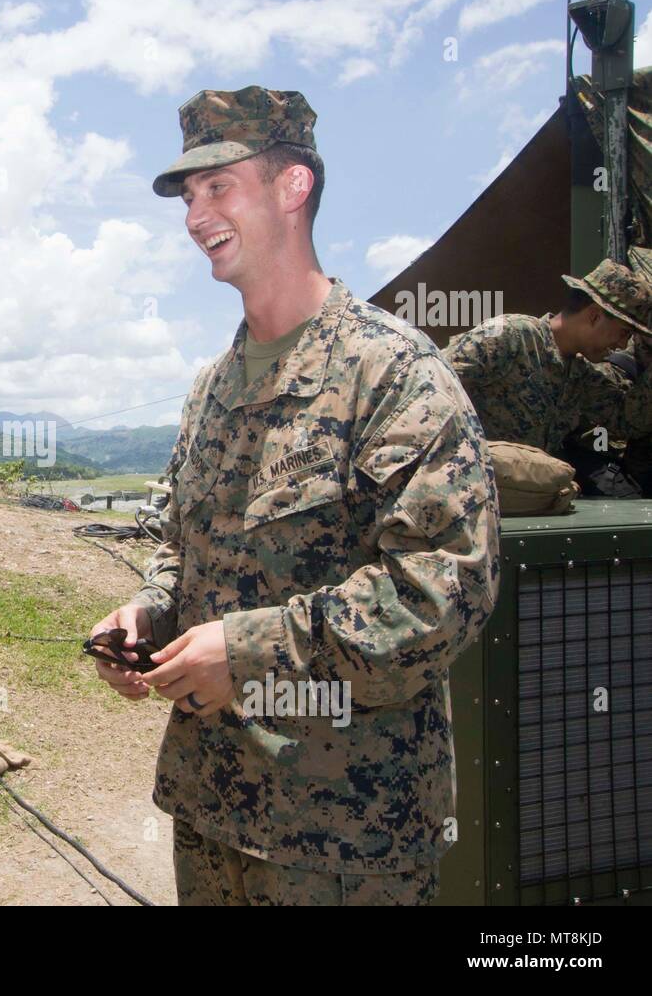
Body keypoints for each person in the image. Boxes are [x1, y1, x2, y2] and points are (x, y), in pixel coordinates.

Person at [89, 86, 499, 906]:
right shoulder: (211, 389)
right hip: (212, 808)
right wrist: (149, 614)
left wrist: (244, 652)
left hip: (346, 837)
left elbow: (443, 593)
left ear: (293, 187)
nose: (195, 215)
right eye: (189, 195)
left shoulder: (394, 373)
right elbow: (186, 549)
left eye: (218, 186)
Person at [442, 260, 652, 456]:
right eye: (624, 332)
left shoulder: (582, 374)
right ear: (595, 316)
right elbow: (433, 388)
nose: (623, 345)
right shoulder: (511, 336)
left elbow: (627, 421)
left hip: (524, 490)